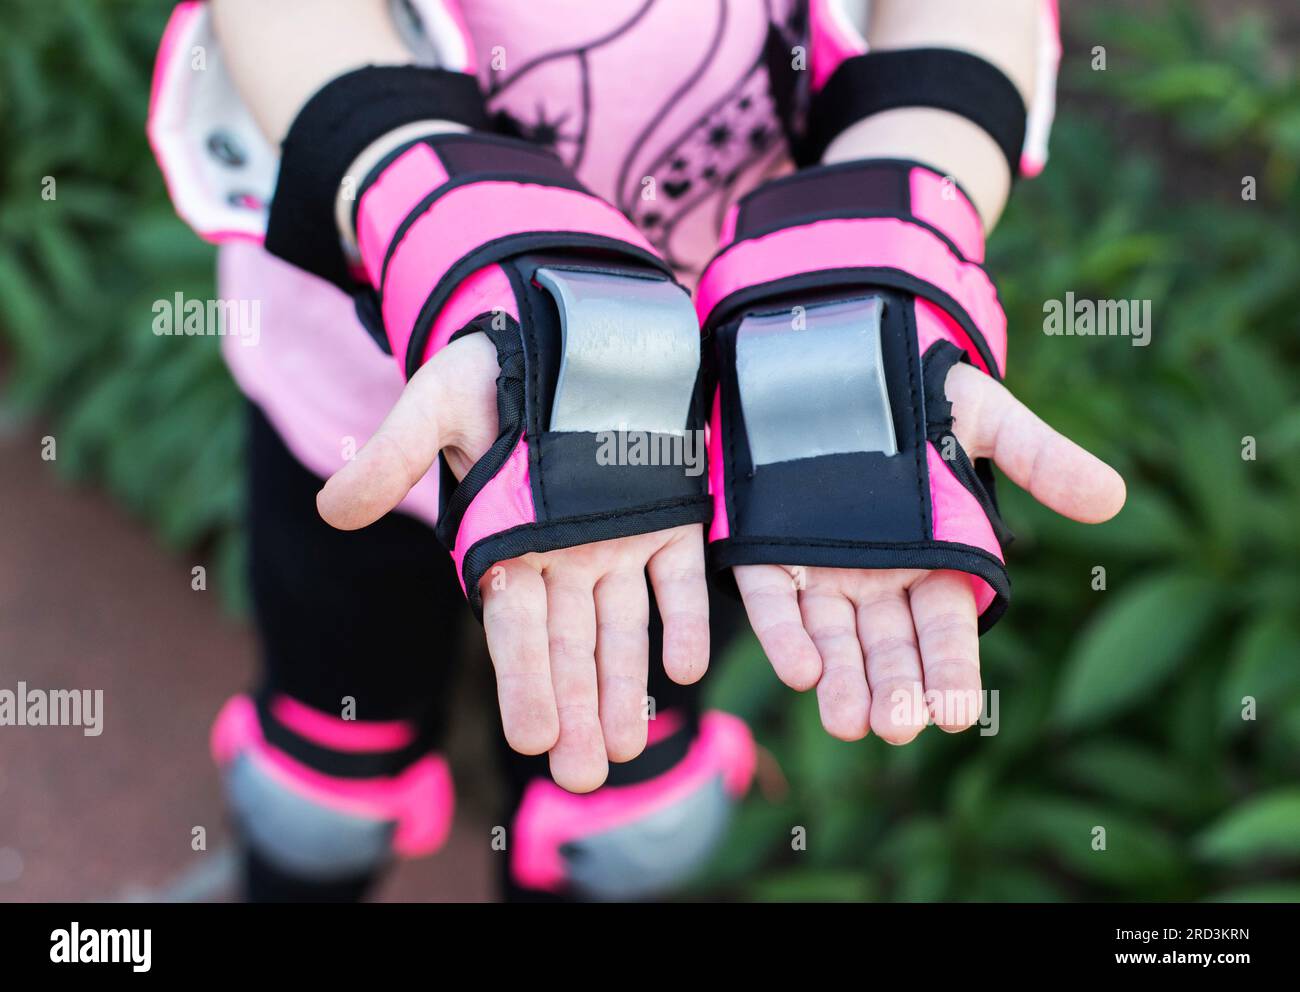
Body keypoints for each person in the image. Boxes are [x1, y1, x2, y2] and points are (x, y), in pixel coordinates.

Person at [148, 0, 1123, 902]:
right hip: (360, 401)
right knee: (326, 767)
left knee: (621, 809)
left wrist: (887, 228)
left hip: (697, 429)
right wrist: (433, 209)